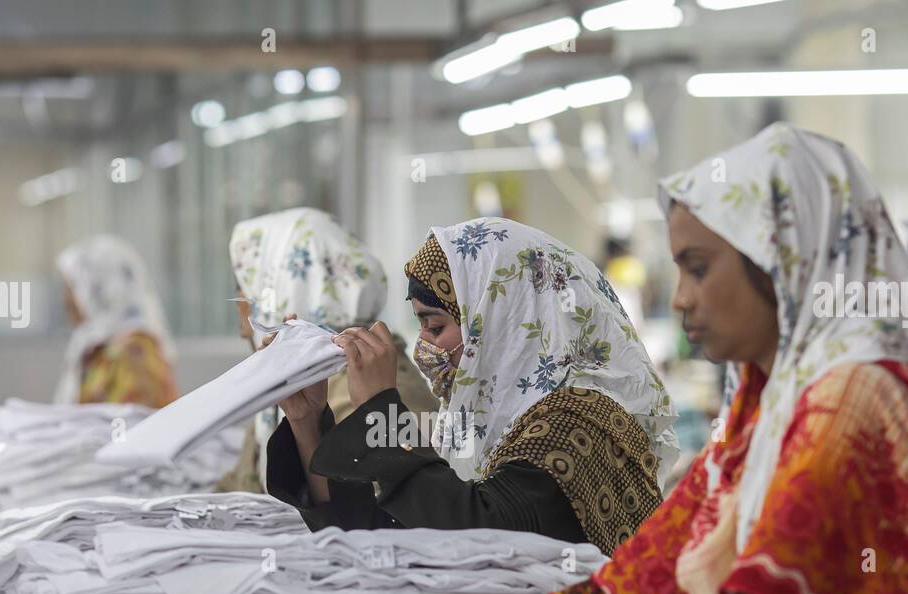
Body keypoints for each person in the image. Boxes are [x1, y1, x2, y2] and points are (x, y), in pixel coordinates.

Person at [323, 124, 908, 594]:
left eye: (698, 268)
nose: (683, 299)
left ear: (783, 268)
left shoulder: (859, 397)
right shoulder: (766, 408)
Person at [265, 217, 678, 555]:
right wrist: (306, 423)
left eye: (436, 325)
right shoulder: (480, 420)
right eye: (421, 326)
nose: (425, 344)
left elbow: (477, 539)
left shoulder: (578, 419)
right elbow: (388, 535)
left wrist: (378, 406)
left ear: (501, 320)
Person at [214, 208, 435, 493]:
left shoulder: (374, 389)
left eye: (244, 288)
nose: (242, 317)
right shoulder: (298, 385)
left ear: (285, 290)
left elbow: (381, 516)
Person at [53, 235, 178, 408]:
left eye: (72, 288)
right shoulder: (94, 348)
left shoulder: (134, 352)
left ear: (99, 289)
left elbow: (138, 428)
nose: (65, 301)